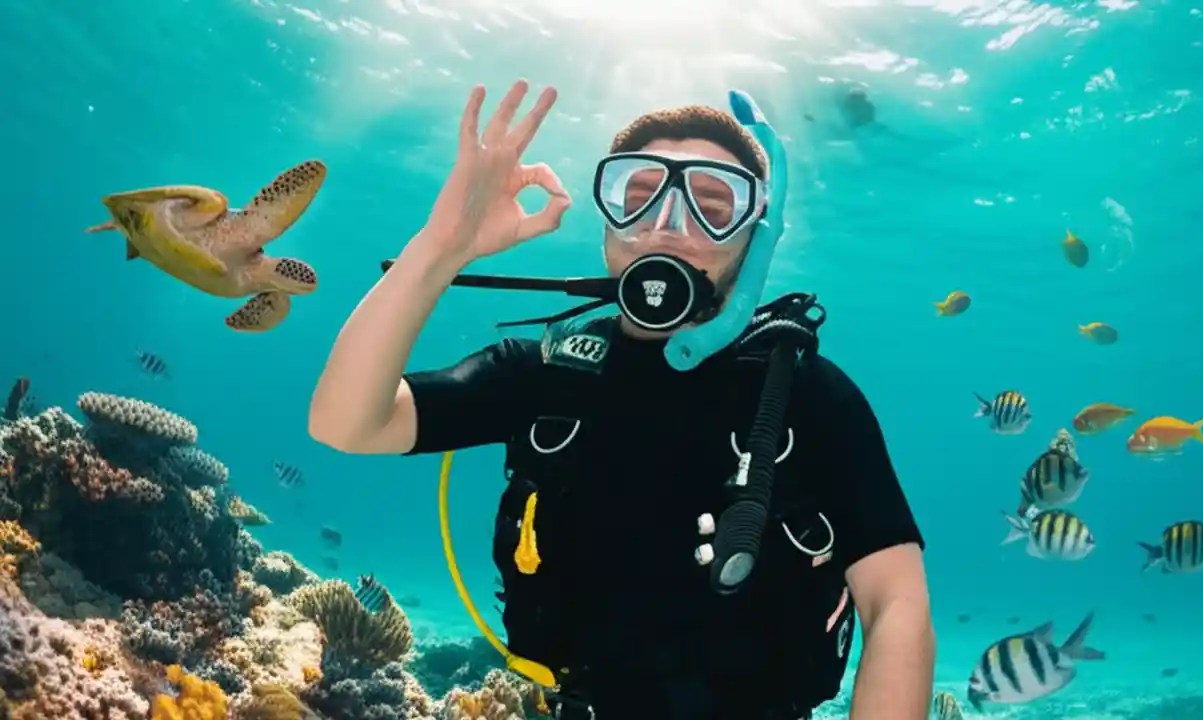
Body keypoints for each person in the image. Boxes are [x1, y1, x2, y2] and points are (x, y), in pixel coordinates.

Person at [309, 79, 935, 720]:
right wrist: (439, 251)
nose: (667, 226)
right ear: (607, 225)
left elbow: (896, 602)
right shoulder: (543, 373)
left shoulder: (807, 395)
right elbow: (345, 422)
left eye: (712, 205)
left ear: (754, 238)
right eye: (637, 196)